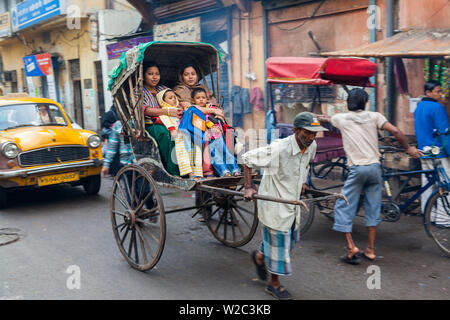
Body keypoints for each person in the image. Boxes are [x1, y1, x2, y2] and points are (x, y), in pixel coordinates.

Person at [317, 88, 422, 264]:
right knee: (373, 207)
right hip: (374, 168)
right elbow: (395, 131)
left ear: (348, 103)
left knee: (343, 207)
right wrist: (408, 148)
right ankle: (371, 250)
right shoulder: (375, 116)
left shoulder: (341, 118)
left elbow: (327, 119)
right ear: (366, 102)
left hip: (357, 169)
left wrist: (316, 116)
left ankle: (351, 247)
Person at [243, 112, 327, 300]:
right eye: (308, 132)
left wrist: (303, 182)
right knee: (280, 243)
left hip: (292, 200)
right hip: (274, 200)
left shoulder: (311, 146)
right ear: (296, 130)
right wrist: (248, 187)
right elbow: (247, 159)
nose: (312, 137)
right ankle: (274, 284)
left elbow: (305, 164)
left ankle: (259, 257)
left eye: (315, 133)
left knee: (290, 239)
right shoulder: (279, 148)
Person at [414, 80, 450, 226]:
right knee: (446, 185)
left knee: (428, 184)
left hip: (424, 151)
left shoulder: (419, 107)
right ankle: (444, 218)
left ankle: (429, 215)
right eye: (438, 91)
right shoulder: (437, 107)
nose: (440, 94)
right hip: (438, 152)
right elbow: (444, 132)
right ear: (428, 93)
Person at [137, 61, 182, 176]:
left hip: (171, 121)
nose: (154, 77)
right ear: (144, 76)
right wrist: (167, 112)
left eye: (157, 74)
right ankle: (173, 171)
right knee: (167, 134)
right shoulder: (139, 91)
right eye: (150, 73)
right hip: (150, 124)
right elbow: (145, 110)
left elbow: (175, 100)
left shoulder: (163, 88)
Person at [192, 88, 240, 177]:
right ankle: (224, 171)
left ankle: (235, 169)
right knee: (214, 154)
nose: (201, 99)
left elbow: (219, 118)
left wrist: (216, 124)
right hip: (206, 136)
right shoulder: (194, 110)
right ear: (193, 100)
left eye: (203, 97)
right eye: (198, 98)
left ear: (207, 99)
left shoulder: (211, 108)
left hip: (216, 133)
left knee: (225, 151)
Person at [156, 88, 203, 179]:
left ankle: (198, 172)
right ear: (163, 101)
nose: (173, 99)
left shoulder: (180, 109)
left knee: (195, 148)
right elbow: (165, 120)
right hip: (178, 134)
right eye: (170, 98)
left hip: (186, 133)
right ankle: (189, 173)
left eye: (174, 97)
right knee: (182, 150)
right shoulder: (164, 111)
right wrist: (172, 129)